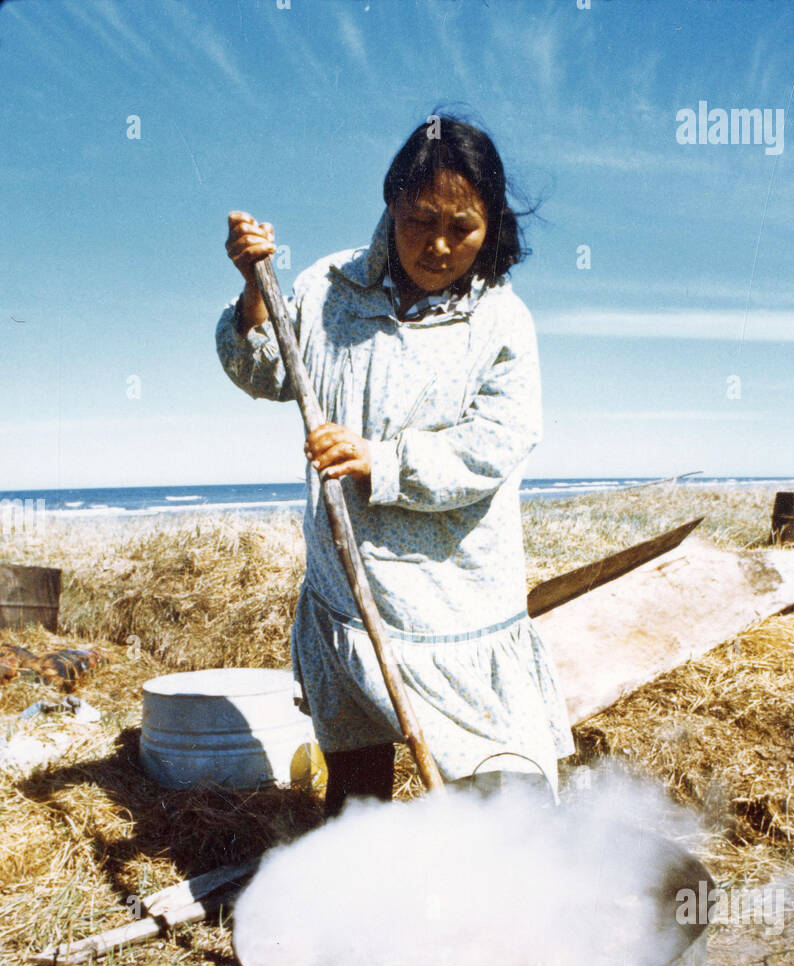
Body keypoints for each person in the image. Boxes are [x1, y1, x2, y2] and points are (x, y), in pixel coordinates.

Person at [217, 115, 574, 814]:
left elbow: (494, 445)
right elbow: (265, 372)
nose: (437, 246)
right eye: (419, 220)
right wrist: (255, 291)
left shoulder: (501, 321)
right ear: (390, 204)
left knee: (501, 795)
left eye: (461, 227)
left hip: (454, 600)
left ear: (490, 223)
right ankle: (362, 900)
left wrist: (378, 460)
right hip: (347, 593)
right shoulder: (329, 288)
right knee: (356, 791)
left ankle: (514, 910)